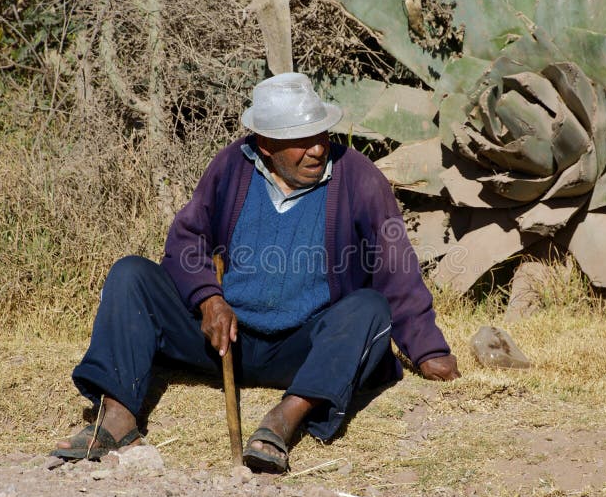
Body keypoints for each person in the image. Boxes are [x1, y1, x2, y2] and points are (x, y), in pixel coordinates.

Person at [52, 72, 460, 472]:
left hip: (307, 350)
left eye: (321, 135)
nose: (317, 149)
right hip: (225, 342)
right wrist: (209, 300)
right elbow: (186, 241)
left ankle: (283, 420)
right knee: (131, 274)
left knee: (369, 307)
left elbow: (395, 266)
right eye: (301, 141)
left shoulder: (358, 177)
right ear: (266, 145)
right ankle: (117, 418)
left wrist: (428, 351)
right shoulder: (232, 166)